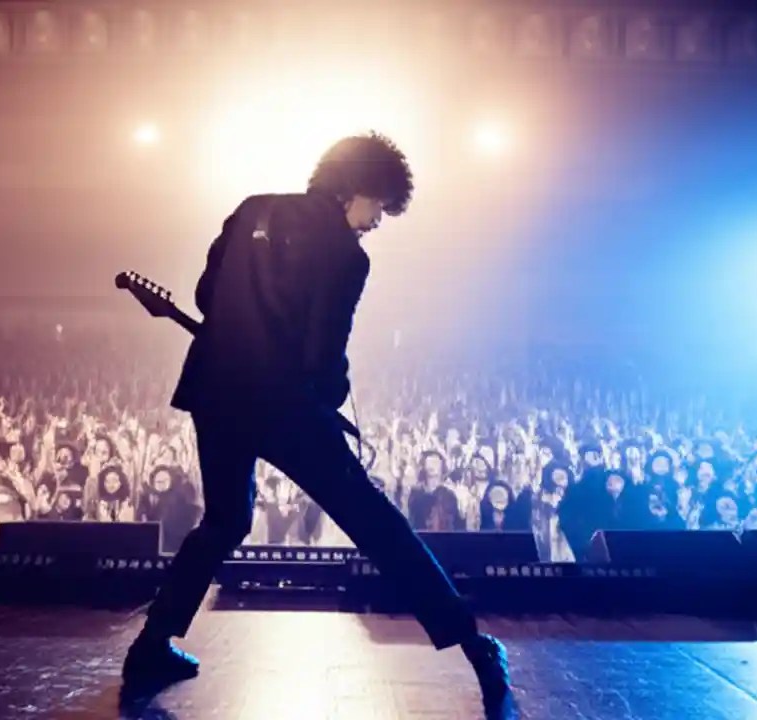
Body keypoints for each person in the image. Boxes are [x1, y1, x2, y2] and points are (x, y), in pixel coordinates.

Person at [120, 132, 514, 717]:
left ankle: (150, 645)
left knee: (224, 521)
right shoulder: (347, 255)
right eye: (379, 207)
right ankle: (476, 647)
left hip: (216, 391)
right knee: (376, 523)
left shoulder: (251, 207)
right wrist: (330, 400)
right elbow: (323, 355)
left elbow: (207, 296)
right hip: (284, 407)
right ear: (359, 188)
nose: (377, 221)